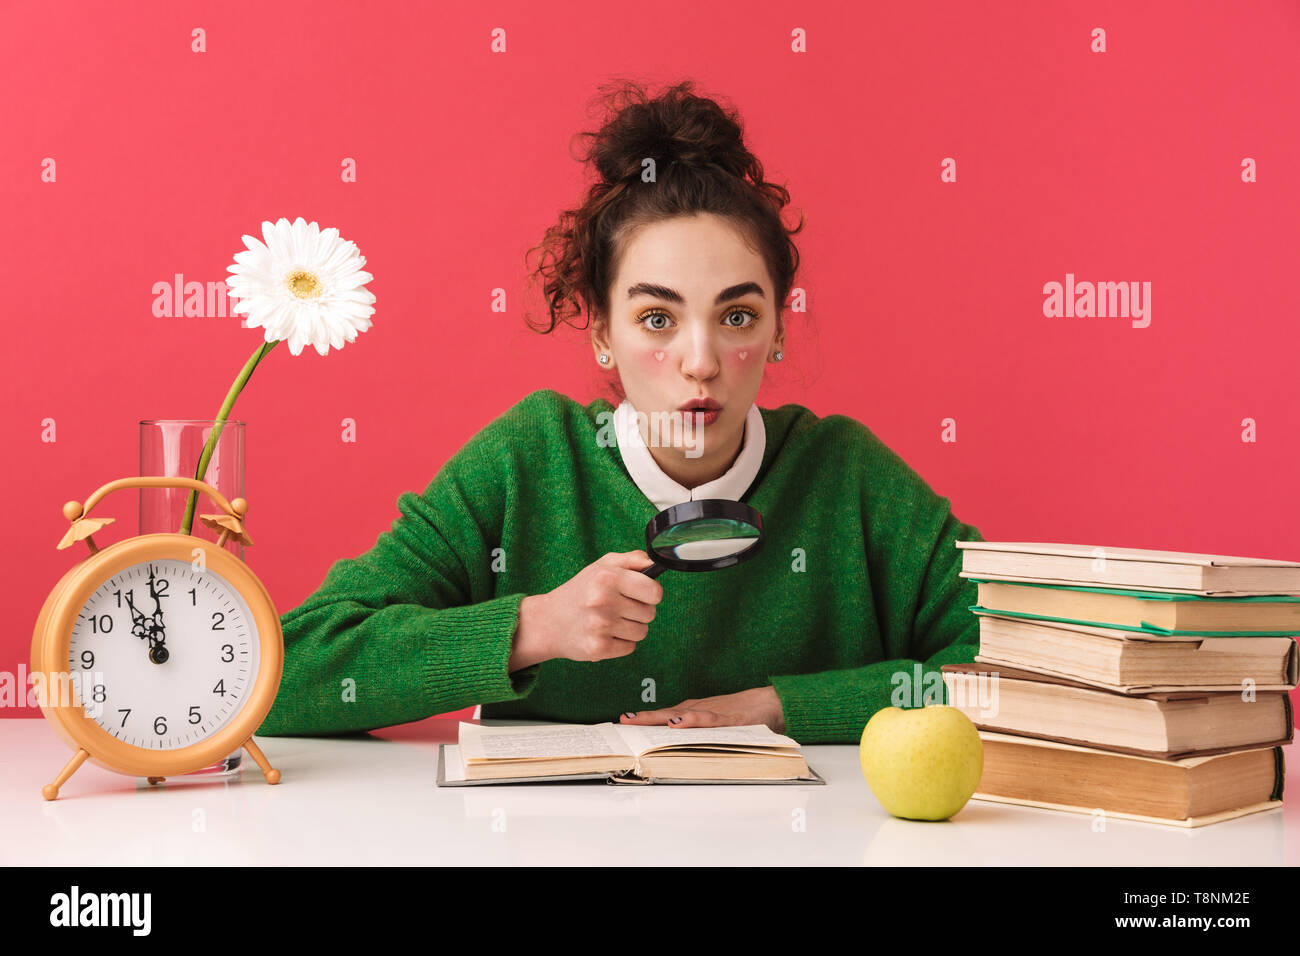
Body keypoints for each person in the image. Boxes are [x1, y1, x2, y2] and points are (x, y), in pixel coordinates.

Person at [255, 79, 985, 745]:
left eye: (736, 316)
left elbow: (1023, 668)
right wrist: (531, 627)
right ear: (603, 333)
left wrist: (779, 707)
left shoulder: (847, 478)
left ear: (780, 330)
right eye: (657, 320)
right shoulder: (527, 462)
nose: (700, 361)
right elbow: (282, 675)